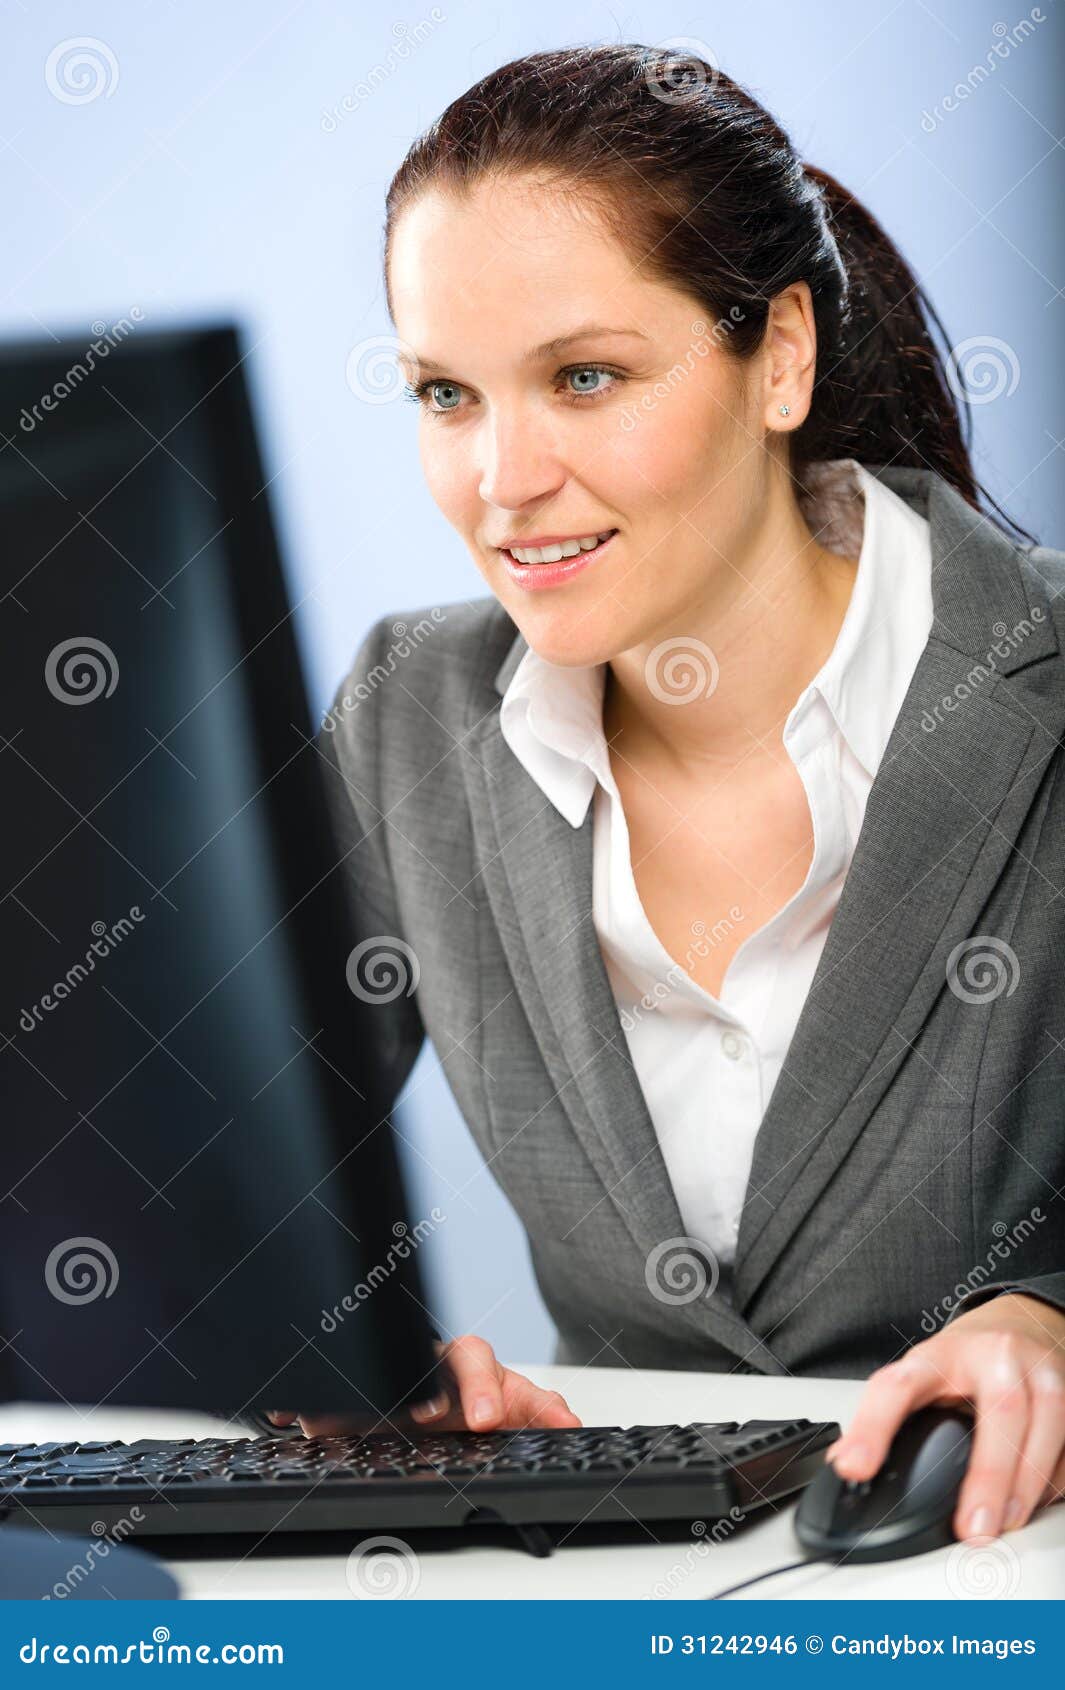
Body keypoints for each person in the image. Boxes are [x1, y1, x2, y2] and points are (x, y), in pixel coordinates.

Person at [270, 43, 1065, 1547]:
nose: (504, 478)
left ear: (777, 357)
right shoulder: (412, 719)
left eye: (584, 377)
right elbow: (218, 1194)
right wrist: (348, 1366)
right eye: (447, 393)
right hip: (615, 1587)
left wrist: (1053, 1319)